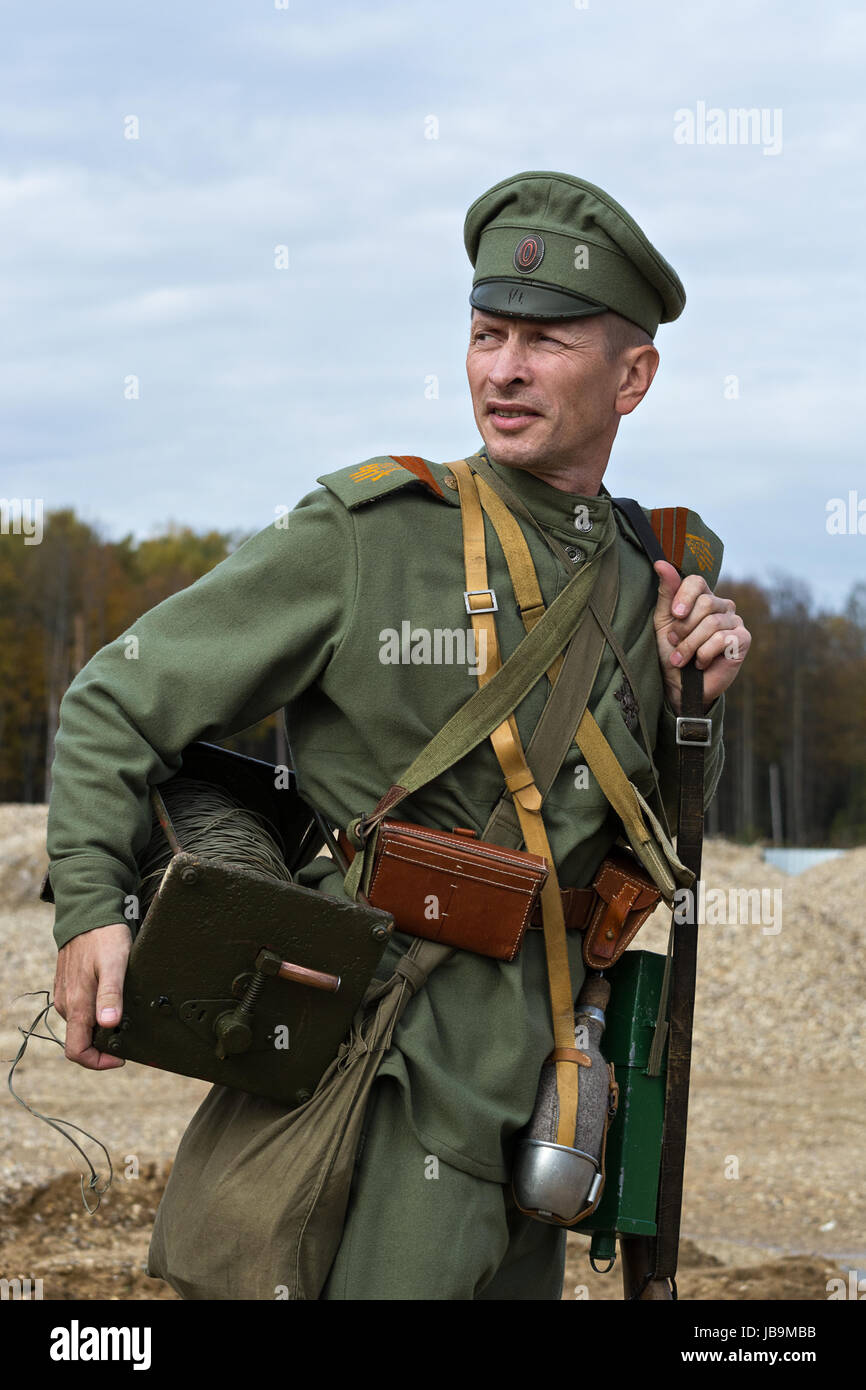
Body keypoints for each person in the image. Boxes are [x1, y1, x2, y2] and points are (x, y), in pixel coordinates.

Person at [47, 171, 751, 1300]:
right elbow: (113, 700)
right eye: (486, 334)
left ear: (634, 375)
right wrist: (89, 910)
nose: (503, 369)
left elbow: (637, 844)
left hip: (541, 1089)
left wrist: (694, 703)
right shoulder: (369, 534)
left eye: (545, 342)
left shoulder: (649, 574)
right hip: (373, 1060)